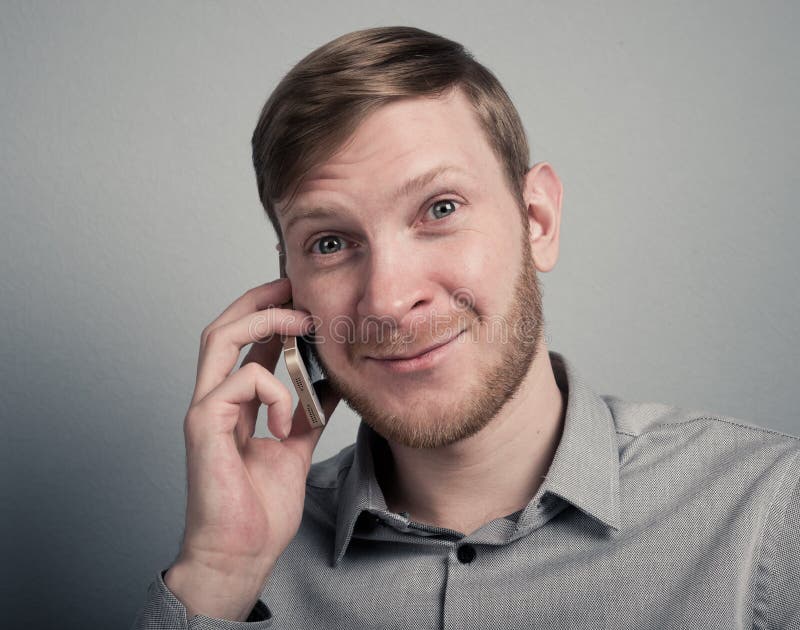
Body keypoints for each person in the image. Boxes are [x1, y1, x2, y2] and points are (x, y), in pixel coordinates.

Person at [132, 26, 799, 629]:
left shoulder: (768, 516)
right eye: (330, 244)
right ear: (289, 291)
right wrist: (220, 575)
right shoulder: (248, 554)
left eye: (439, 208)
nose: (389, 301)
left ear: (537, 220)